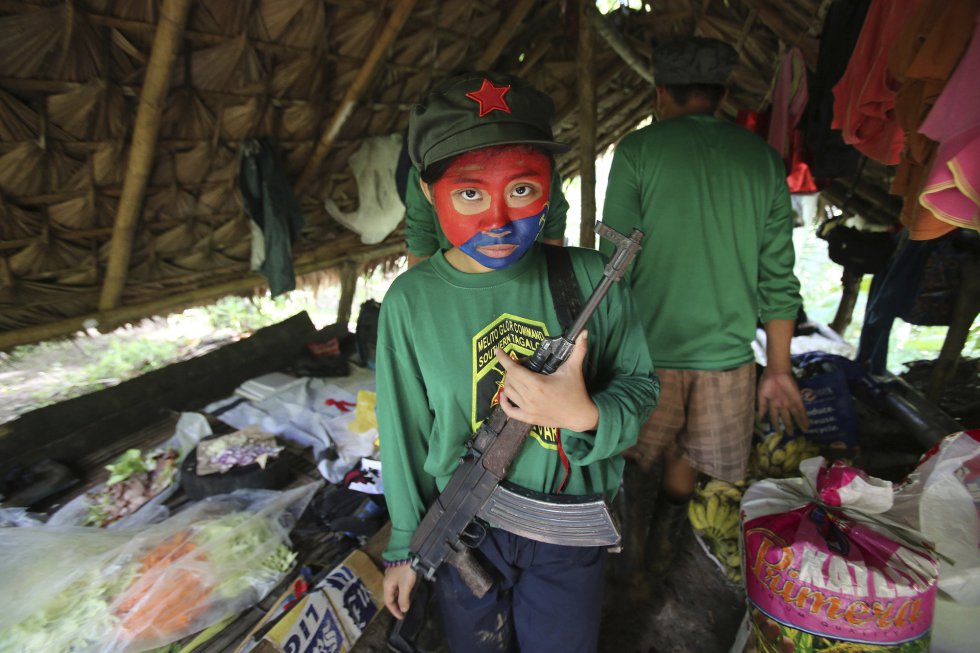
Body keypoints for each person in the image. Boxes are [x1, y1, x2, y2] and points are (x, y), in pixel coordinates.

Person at [377, 71, 659, 653]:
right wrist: (406, 545)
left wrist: (584, 413)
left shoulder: (585, 279)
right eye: (470, 194)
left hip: (568, 530)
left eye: (523, 190)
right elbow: (402, 431)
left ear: (551, 186)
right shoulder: (410, 303)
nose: (499, 220)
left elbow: (638, 386)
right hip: (466, 527)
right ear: (431, 195)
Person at [599, 37, 810, 579]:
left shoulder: (640, 150)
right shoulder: (761, 159)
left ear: (661, 92)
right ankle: (663, 565)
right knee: (685, 464)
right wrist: (780, 369)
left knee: (627, 460)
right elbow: (778, 279)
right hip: (726, 363)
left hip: (644, 353)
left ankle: (629, 561)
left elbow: (613, 262)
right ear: (723, 95)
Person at [401, 79, 570, 268]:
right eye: (470, 193)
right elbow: (420, 240)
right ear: (427, 190)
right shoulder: (423, 178)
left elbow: (555, 225)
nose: (498, 224)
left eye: (521, 190)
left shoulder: (542, 174)